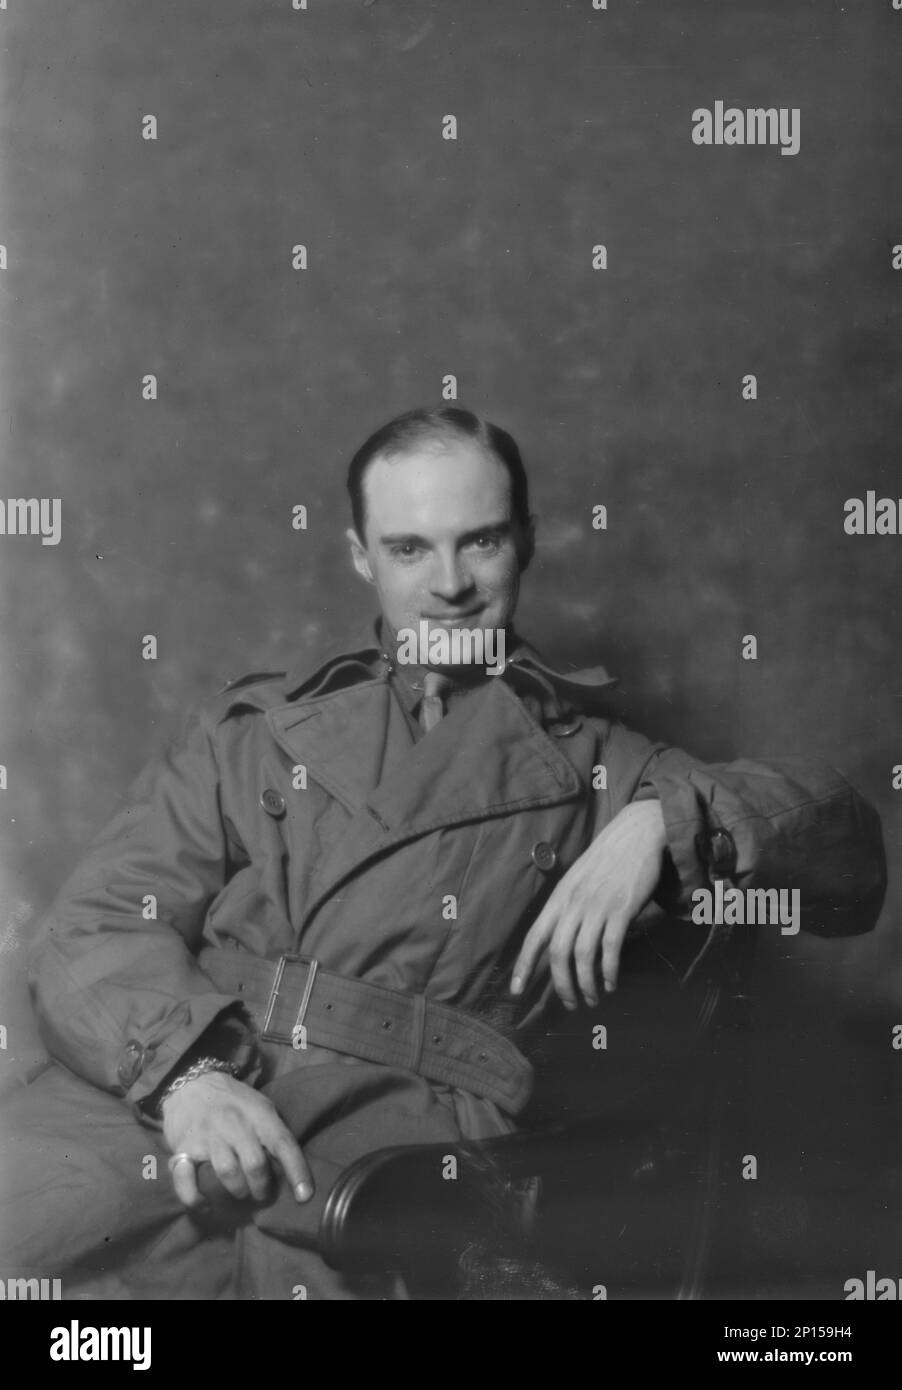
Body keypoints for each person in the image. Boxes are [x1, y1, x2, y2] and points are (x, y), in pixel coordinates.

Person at [0, 407, 886, 1300]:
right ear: (361, 557)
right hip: (181, 1078)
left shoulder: (605, 764)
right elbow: (101, 917)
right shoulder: (255, 732)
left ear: (527, 545)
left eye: (483, 543)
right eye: (411, 549)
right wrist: (188, 1079)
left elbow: (845, 854)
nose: (451, 584)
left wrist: (665, 821)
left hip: (397, 1142)